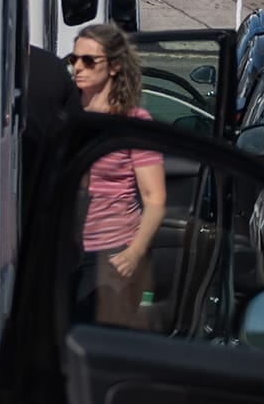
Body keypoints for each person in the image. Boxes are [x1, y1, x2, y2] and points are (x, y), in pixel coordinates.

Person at [66, 21, 166, 327]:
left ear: (114, 66)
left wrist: (135, 252)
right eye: (74, 60)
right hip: (65, 246)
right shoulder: (66, 113)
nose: (78, 68)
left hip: (111, 249)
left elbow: (155, 198)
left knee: (97, 340)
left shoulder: (133, 120)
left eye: (88, 61)